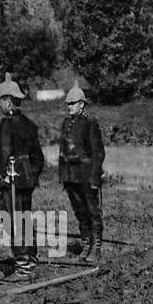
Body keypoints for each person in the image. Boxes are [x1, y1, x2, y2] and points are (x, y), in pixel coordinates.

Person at [0, 73, 45, 283]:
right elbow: (38, 158)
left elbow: (2, 155)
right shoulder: (30, 125)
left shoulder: (7, 125)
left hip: (11, 180)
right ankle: (31, 262)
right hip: (26, 180)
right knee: (25, 219)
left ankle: (22, 268)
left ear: (7, 101)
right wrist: (30, 175)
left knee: (13, 223)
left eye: (1, 101)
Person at [58, 83, 105, 261]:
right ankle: (85, 247)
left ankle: (96, 249)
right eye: (68, 103)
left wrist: (94, 177)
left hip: (86, 174)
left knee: (93, 212)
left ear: (82, 104)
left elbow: (98, 152)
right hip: (71, 176)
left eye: (73, 103)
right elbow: (62, 151)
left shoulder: (90, 123)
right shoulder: (66, 123)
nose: (69, 106)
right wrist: (63, 175)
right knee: (80, 212)